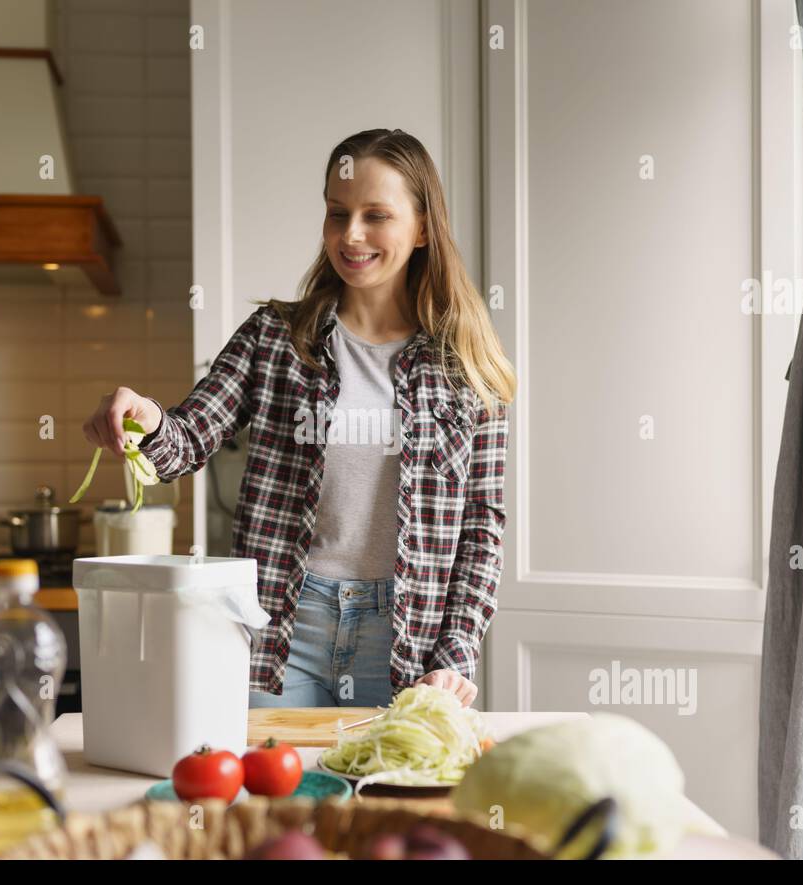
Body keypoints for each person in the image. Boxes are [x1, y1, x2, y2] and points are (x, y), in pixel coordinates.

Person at [83, 128, 516, 709]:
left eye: (376, 215)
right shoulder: (274, 337)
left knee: (381, 798)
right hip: (281, 629)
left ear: (422, 229)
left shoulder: (468, 365)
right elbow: (184, 443)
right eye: (338, 214)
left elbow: (481, 527)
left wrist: (457, 652)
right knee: (276, 794)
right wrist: (145, 417)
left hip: (407, 641)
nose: (351, 234)